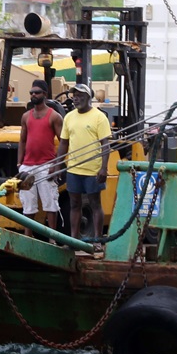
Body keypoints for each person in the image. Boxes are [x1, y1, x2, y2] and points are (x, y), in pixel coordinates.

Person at [56, 83, 112, 248]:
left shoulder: (99, 117)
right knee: (74, 204)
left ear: (89, 97)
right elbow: (63, 143)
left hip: (93, 170)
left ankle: (97, 241)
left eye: (80, 95)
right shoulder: (69, 117)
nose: (76, 98)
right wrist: (60, 164)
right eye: (74, 95)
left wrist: (104, 168)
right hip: (74, 168)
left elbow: (105, 145)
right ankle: (73, 240)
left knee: (95, 204)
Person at [16, 79, 63, 229]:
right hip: (27, 166)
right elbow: (22, 141)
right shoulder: (25, 116)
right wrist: (19, 164)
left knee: (50, 203)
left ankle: (52, 238)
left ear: (44, 94)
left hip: (46, 165)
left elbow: (63, 142)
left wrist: (55, 165)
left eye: (36, 92)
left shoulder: (54, 116)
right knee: (28, 205)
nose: (33, 95)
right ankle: (27, 236)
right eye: (31, 93)